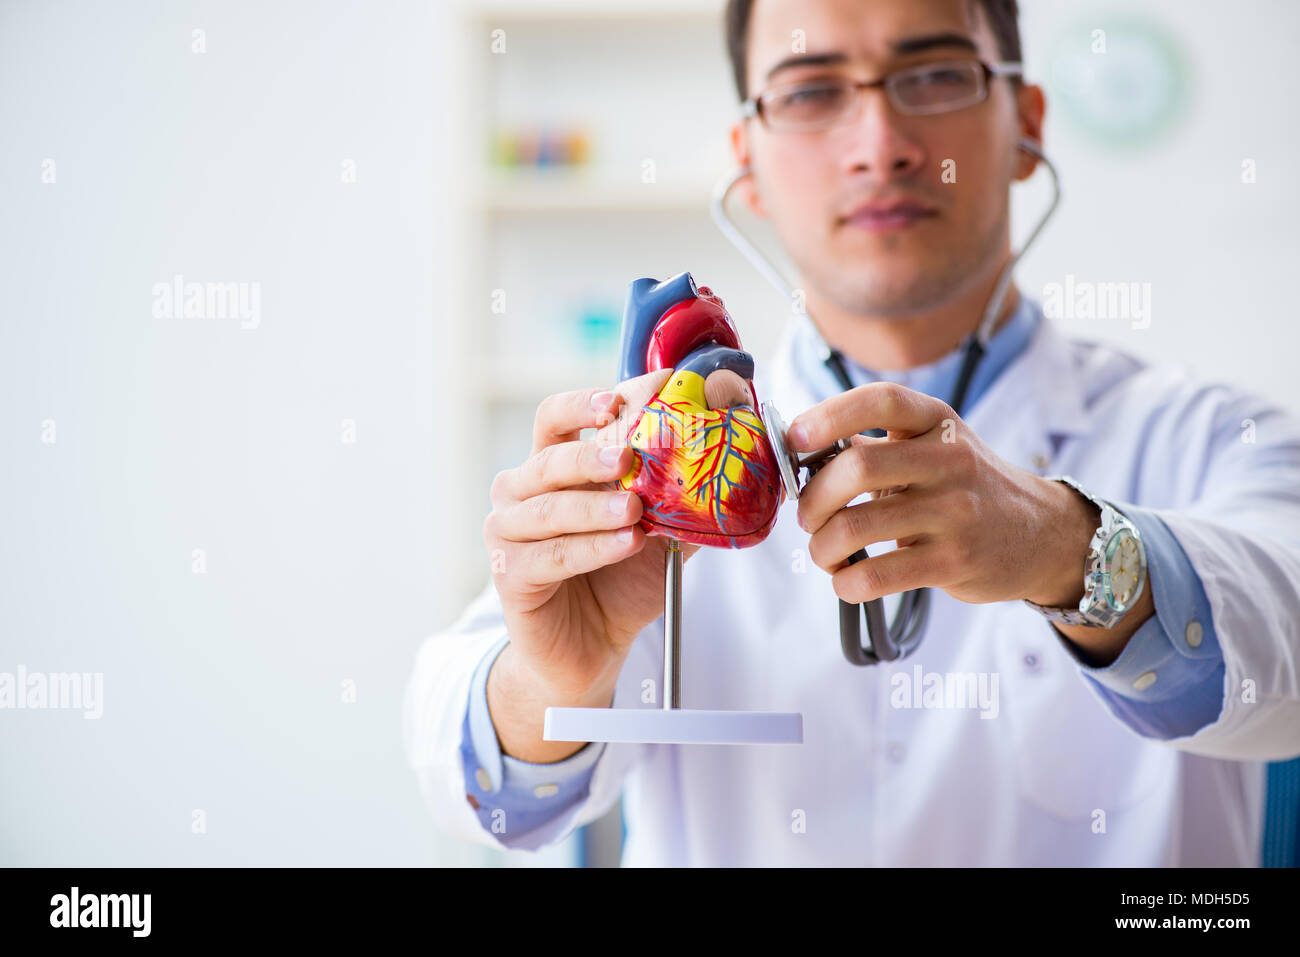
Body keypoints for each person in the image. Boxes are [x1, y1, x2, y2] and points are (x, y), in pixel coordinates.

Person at [402, 0, 1300, 865]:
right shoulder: (651, 469)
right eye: (809, 90)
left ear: (1028, 124)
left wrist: (1064, 544)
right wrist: (552, 681)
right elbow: (468, 778)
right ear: (745, 160)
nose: (880, 146)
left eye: (938, 74)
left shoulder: (1214, 435)